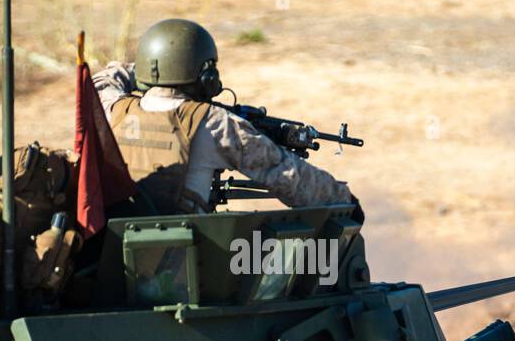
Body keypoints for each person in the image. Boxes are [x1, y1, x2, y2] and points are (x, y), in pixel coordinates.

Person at [94, 18, 355, 214]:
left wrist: (152, 66)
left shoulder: (113, 109)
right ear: (207, 77)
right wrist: (343, 199)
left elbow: (104, 79)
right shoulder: (215, 124)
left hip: (115, 258)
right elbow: (288, 175)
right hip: (180, 268)